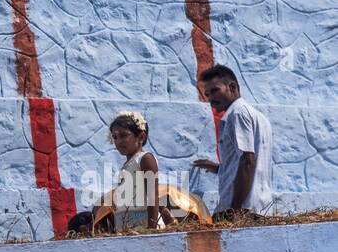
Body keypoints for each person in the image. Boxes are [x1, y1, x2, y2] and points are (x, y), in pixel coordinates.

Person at [68, 111, 174, 235]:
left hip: (145, 227)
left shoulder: (145, 159)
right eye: (115, 137)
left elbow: (152, 196)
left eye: (124, 135)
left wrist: (151, 230)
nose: (118, 141)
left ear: (141, 137)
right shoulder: (127, 165)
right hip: (128, 229)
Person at [193, 64, 274, 221]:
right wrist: (218, 168)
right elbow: (247, 161)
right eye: (207, 94)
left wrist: (234, 209)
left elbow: (247, 161)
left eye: (215, 90)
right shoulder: (258, 116)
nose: (210, 99)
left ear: (232, 87)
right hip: (259, 206)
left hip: (242, 210)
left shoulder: (237, 113)